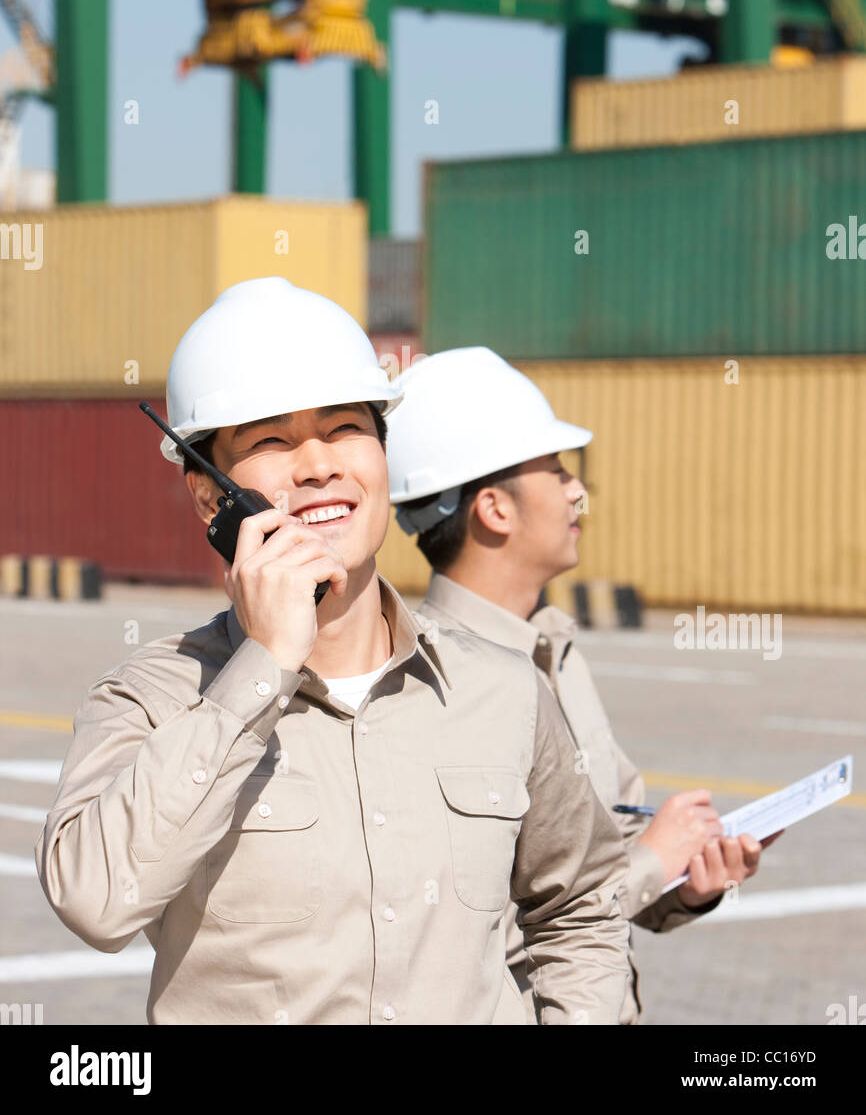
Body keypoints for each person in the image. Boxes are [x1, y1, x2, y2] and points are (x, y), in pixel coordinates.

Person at [36, 278, 633, 1026]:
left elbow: (580, 905)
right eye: (271, 441)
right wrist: (264, 664)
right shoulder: (152, 699)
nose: (319, 465)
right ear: (207, 497)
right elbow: (96, 901)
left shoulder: (502, 688)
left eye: (346, 428)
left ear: (383, 454)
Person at [387, 346, 778, 1025]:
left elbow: (606, 859)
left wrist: (688, 881)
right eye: (559, 472)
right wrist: (653, 865)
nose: (578, 492)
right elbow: (469, 939)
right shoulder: (429, 688)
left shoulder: (556, 649)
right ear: (494, 509)